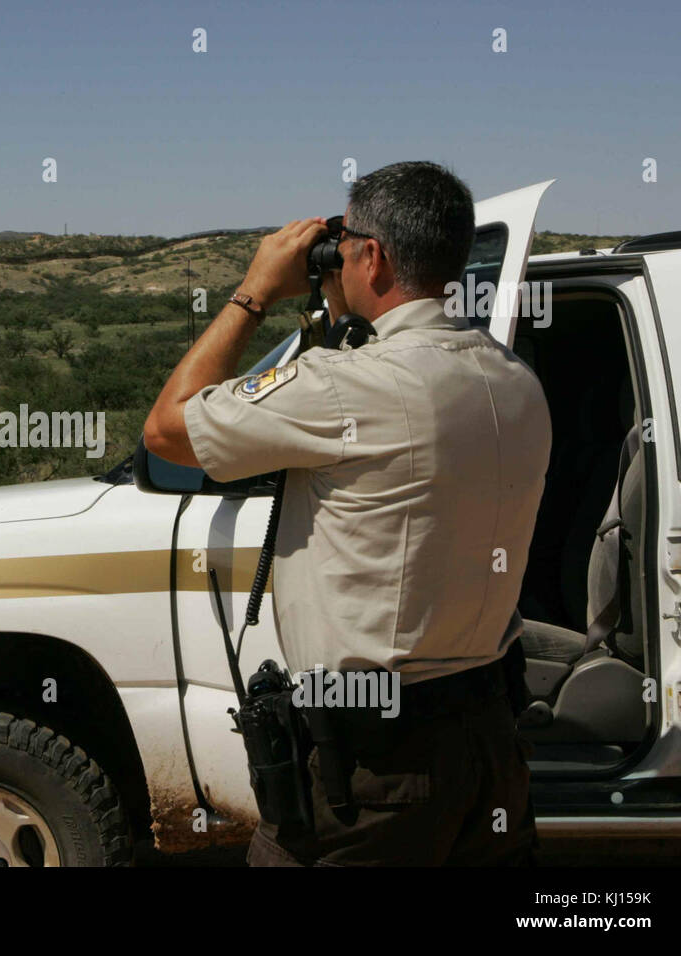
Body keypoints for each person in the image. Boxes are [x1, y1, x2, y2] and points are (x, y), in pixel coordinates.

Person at [143, 161, 552, 866]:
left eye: (350, 242)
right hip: (489, 741)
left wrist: (253, 293)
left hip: (375, 766)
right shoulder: (514, 380)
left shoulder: (344, 388)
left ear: (375, 256)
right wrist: (338, 318)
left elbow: (167, 430)